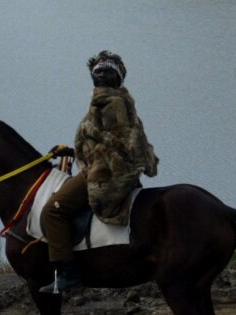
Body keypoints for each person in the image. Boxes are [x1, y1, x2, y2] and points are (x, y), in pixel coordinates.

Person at [40, 51, 159, 294]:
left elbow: (117, 145)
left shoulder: (111, 103)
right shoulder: (115, 99)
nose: (102, 75)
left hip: (106, 175)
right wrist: (73, 151)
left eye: (107, 71)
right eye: (98, 71)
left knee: (53, 210)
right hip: (109, 168)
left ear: (118, 77)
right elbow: (108, 141)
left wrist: (93, 161)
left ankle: (67, 274)